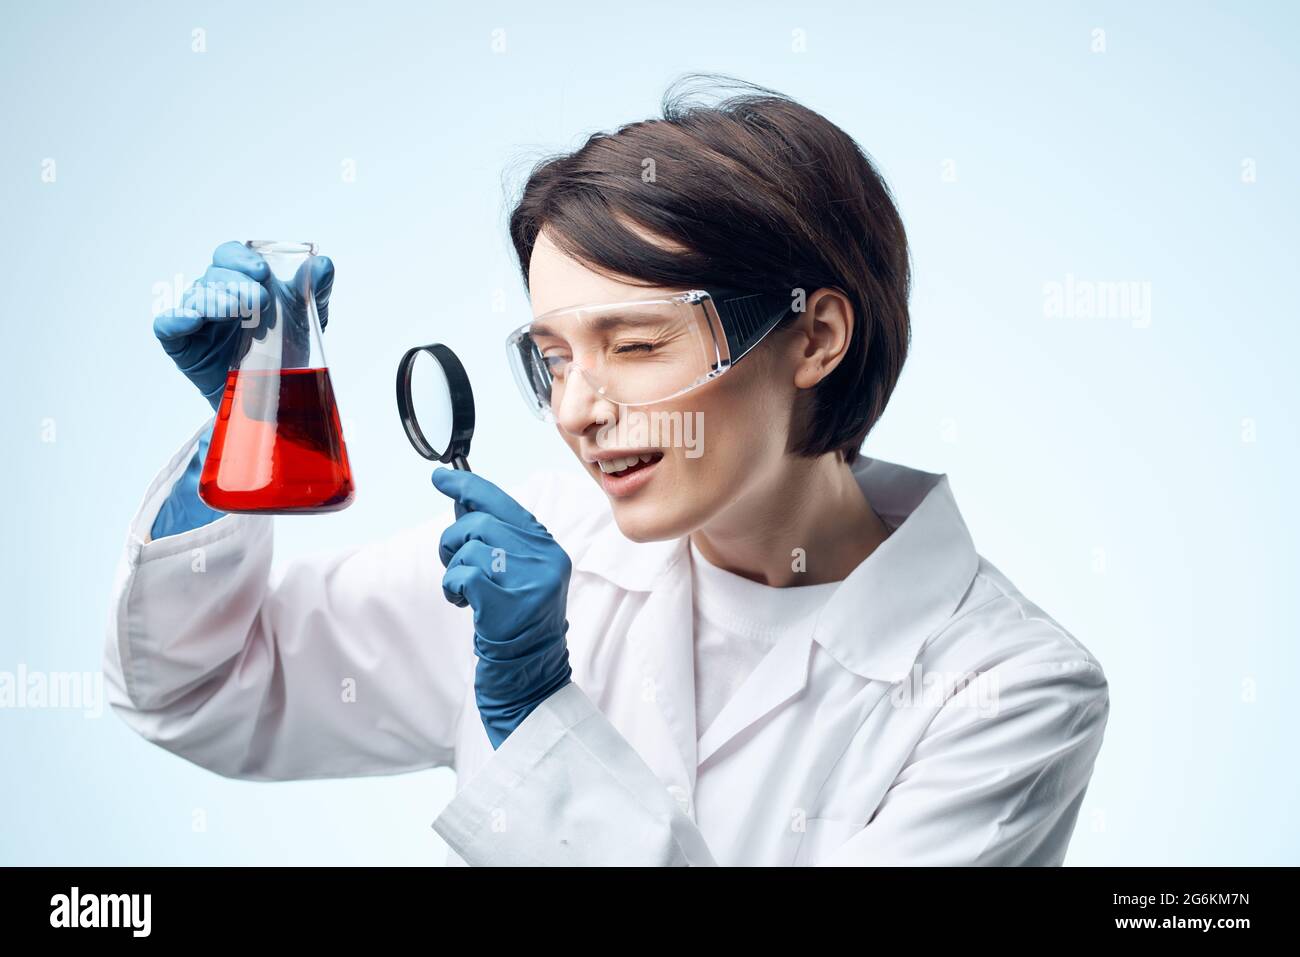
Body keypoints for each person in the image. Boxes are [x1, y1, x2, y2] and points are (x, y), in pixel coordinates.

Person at [105, 76, 1109, 866]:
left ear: (815, 338)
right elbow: (196, 688)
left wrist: (539, 708)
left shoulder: (1012, 693)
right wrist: (248, 421)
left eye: (632, 345)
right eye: (551, 359)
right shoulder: (543, 559)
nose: (578, 410)